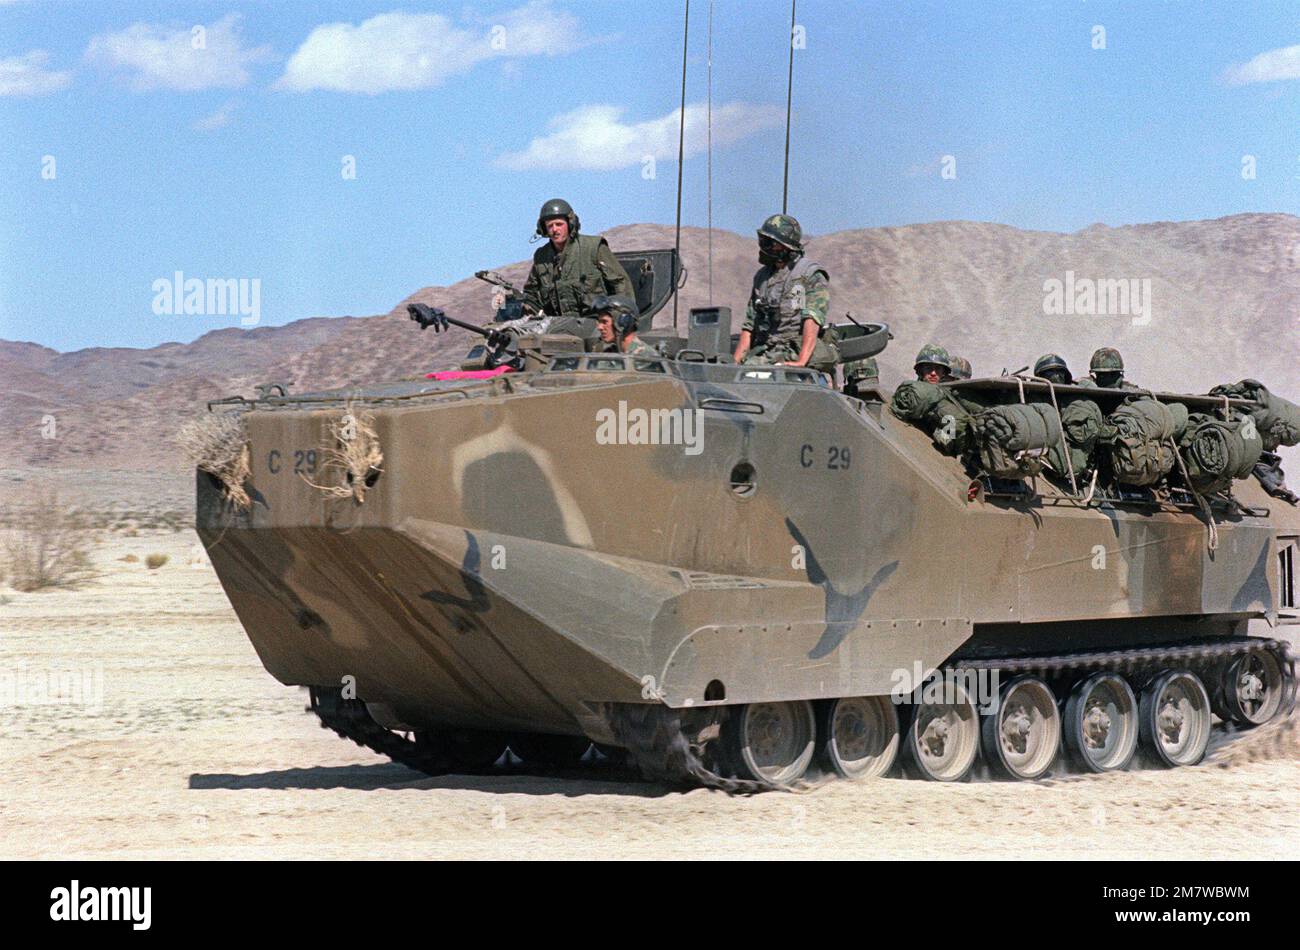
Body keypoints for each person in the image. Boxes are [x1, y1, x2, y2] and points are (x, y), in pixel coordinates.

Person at [732, 214, 837, 373]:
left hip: (792, 352)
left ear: (785, 247)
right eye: (763, 241)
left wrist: (801, 361)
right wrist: (735, 365)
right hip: (764, 353)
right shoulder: (763, 278)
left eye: (770, 243)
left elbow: (812, 318)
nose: (764, 247)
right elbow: (750, 325)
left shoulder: (805, 276)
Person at [521, 198, 632, 319]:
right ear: (544, 229)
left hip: (595, 324)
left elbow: (620, 283)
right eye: (550, 226)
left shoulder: (593, 248)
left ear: (570, 224)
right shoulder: (541, 257)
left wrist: (620, 319)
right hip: (557, 328)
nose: (554, 230)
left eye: (559, 224)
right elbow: (531, 295)